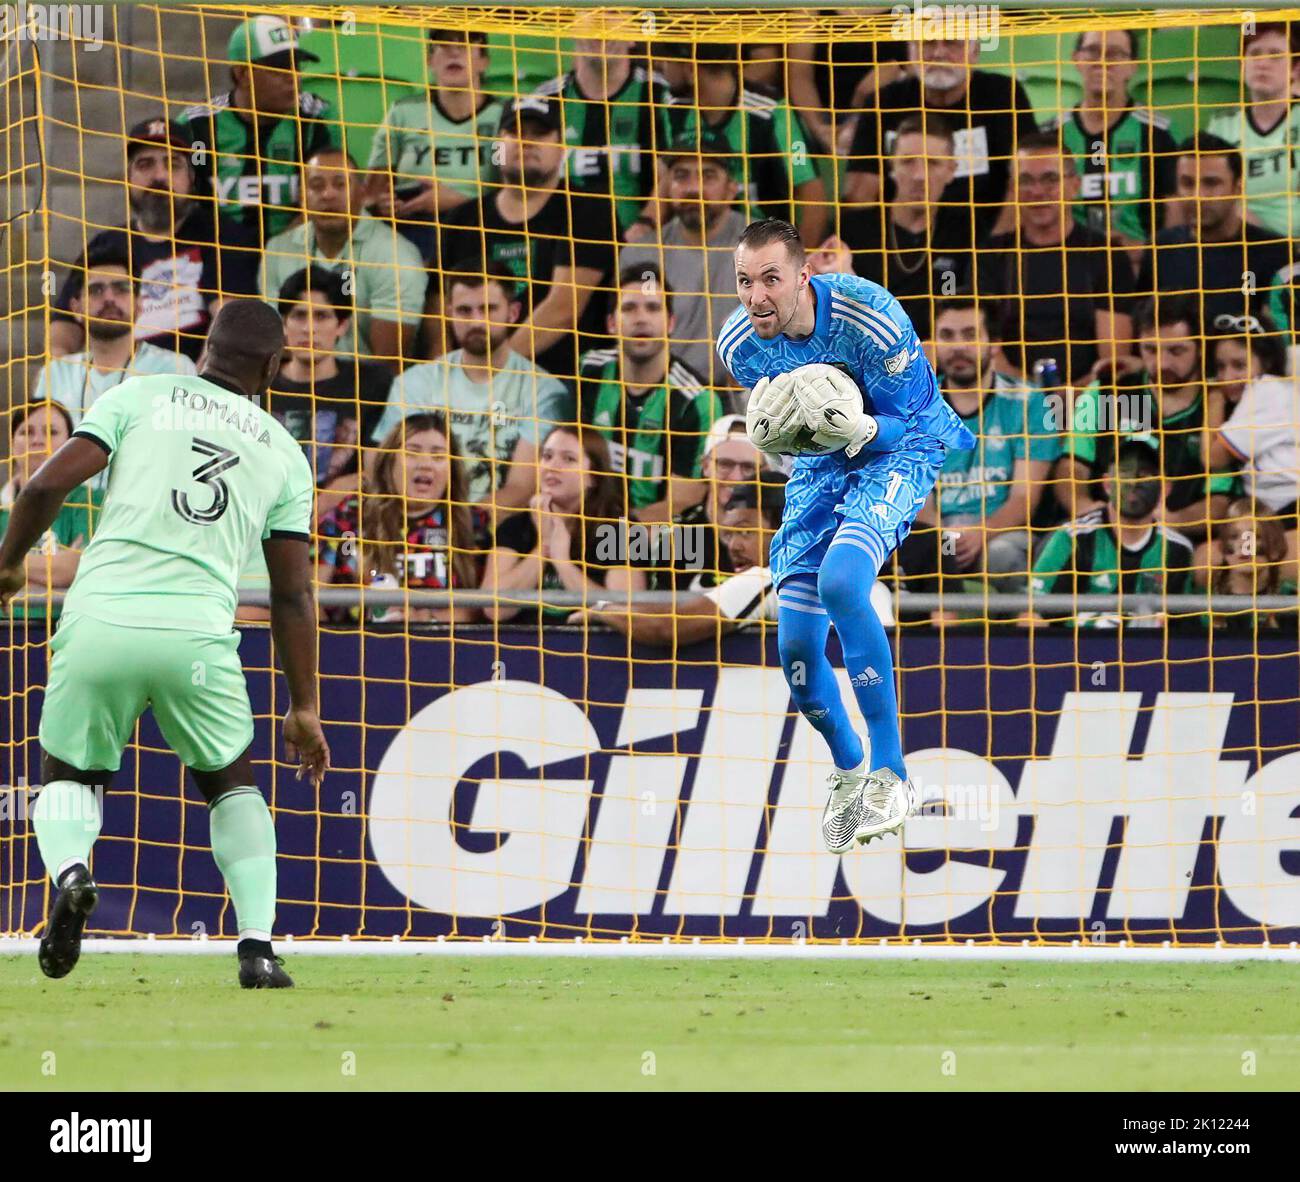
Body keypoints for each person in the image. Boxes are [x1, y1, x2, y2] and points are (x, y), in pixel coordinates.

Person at [0, 299, 329, 989]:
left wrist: (6, 564)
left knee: (71, 775)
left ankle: (72, 874)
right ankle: (258, 948)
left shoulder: (138, 395)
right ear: (273, 367)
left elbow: (44, 483)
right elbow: (294, 595)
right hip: (197, 639)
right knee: (230, 785)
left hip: (100, 624)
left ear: (204, 348)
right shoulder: (284, 453)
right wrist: (305, 706)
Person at [716, 218, 975, 852]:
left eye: (771, 279)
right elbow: (793, 430)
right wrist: (797, 433)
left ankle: (892, 771)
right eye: (745, 282)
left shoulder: (872, 316)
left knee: (841, 582)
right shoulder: (738, 346)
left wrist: (856, 429)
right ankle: (849, 764)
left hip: (899, 446)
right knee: (797, 659)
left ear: (804, 276)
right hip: (821, 464)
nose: (757, 298)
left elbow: (915, 418)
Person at [434, 95, 617, 381]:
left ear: (561, 149)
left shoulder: (589, 210)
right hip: (472, 379)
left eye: (539, 133)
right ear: (497, 147)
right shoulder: (463, 219)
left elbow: (563, 308)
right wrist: (444, 378)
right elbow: (438, 307)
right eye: (515, 132)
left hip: (566, 382)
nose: (526, 142)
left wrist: (493, 370)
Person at [898, 297, 1061, 615]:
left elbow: (1025, 499)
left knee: (1002, 557)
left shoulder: (1030, 403)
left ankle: (1023, 639)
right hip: (936, 535)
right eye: (947, 336)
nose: (958, 346)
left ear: (994, 344)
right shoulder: (914, 410)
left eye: (970, 335)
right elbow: (920, 501)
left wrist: (982, 532)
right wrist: (943, 541)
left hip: (1000, 533)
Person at [49, 117, 259, 361]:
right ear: (128, 178)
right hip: (116, 385)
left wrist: (198, 384)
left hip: (190, 385)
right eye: (145, 165)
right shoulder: (105, 245)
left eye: (173, 164)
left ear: (191, 178)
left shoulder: (222, 235)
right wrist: (59, 369)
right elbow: (64, 326)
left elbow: (228, 322)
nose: (159, 176)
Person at [371, 266, 569, 513]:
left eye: (488, 309)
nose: (477, 321)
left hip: (495, 532)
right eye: (465, 311)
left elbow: (521, 488)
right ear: (449, 313)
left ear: (513, 313)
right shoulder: (415, 382)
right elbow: (384, 467)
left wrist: (461, 530)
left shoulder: (544, 391)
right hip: (416, 523)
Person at [1063, 295, 1240, 540]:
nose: (1161, 363)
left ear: (1201, 348)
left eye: (1176, 351)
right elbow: (1071, 464)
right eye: (1150, 349)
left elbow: (1219, 501)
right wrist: (1081, 505)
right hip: (1103, 533)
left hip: (1179, 543)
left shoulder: (1220, 410)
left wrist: (1172, 521)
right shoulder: (1105, 391)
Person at [975, 132, 1136, 386]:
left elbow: (1112, 359)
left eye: (1050, 179)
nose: (1038, 191)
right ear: (1013, 189)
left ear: (1075, 185)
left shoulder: (1106, 254)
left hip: (1089, 404)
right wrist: (1034, 400)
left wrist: (1073, 397)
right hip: (1012, 403)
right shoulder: (992, 255)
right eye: (1026, 180)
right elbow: (987, 350)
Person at [843, 36, 1037, 238]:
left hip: (984, 239)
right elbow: (860, 194)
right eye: (927, 43)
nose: (938, 53)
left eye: (952, 43)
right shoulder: (885, 100)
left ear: (975, 52)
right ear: (911, 52)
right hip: (898, 242)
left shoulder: (1003, 95)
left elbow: (1023, 181)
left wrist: (996, 251)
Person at [177, 15, 340, 244]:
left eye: (296, 65)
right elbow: (181, 206)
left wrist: (275, 255)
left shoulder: (316, 118)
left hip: (296, 252)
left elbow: (329, 203)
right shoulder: (198, 125)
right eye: (280, 68)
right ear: (243, 74)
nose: (294, 78)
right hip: (218, 255)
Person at [577, 264, 722, 522]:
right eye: (629, 308)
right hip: (587, 522)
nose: (641, 318)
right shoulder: (588, 371)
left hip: (657, 538)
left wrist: (615, 534)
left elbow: (682, 501)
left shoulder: (696, 401)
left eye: (653, 308)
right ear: (611, 323)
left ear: (670, 322)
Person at [317, 411, 490, 626]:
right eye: (412, 452)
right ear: (389, 462)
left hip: (445, 649)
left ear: (451, 469)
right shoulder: (349, 516)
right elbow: (311, 599)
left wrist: (423, 619)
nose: (425, 464)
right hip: (358, 647)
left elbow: (482, 610)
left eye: (438, 456)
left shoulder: (472, 523)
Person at [574, 474, 788, 646]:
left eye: (745, 531)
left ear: (783, 529)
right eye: (728, 535)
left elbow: (667, 628)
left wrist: (602, 611)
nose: (733, 546)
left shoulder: (767, 579)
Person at [260, 149, 427, 369]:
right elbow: (276, 344)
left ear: (363, 193)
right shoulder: (278, 250)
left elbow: (388, 365)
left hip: (365, 390)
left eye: (341, 185)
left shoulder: (396, 256)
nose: (328, 195)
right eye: (317, 185)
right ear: (302, 197)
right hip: (295, 386)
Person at [660, 42, 829, 246]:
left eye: (667, 59)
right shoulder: (673, 108)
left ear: (690, 70)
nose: (661, 66)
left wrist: (799, 264)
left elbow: (812, 194)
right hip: (694, 243)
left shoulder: (770, 110)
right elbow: (666, 179)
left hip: (761, 247)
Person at [619, 128, 747, 388]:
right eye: (681, 176)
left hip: (741, 398)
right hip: (668, 399)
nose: (693, 188)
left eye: (708, 176)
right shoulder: (641, 254)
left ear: (731, 188)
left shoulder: (763, 247)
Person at [484, 425, 645, 626]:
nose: (553, 466)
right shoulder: (515, 526)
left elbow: (626, 612)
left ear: (593, 477)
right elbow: (493, 609)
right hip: (524, 648)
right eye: (547, 456)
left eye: (568, 459)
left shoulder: (622, 530)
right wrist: (544, 547)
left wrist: (563, 564)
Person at [268, 265, 394, 520]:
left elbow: (384, 470)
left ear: (342, 325)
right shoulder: (259, 385)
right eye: (299, 315)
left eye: (322, 316)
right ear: (283, 324)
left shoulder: (373, 384)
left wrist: (343, 488)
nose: (309, 329)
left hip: (347, 521)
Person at [1029, 438, 1195, 629]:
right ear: (1107, 484)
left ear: (1165, 489)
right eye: (1124, 474)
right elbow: (1030, 615)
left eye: (1145, 476)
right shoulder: (1072, 538)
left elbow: (1181, 631)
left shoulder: (1177, 551)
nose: (1133, 484)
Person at [365, 28, 502, 258]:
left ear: (484, 62)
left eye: (466, 43)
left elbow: (515, 194)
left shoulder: (502, 117)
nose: (454, 51)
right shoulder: (403, 113)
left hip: (482, 225)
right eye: (444, 44)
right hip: (412, 228)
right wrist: (385, 205)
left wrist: (457, 202)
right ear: (429, 60)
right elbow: (372, 193)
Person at [838, 113, 973, 345]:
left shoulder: (965, 233)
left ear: (952, 170)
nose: (919, 175)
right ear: (892, 166)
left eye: (933, 163)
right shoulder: (852, 231)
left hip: (937, 361)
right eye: (908, 162)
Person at [1136, 133, 1290, 334]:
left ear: (1238, 188)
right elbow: (1145, 328)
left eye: (1211, 183)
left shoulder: (1275, 253)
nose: (1198, 196)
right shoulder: (1160, 248)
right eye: (1187, 183)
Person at [1044, 30, 1179, 253]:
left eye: (1115, 54)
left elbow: (1176, 212)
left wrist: (1145, 252)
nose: (1103, 62)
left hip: (1140, 265)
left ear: (1133, 66)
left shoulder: (1158, 133)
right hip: (1068, 265)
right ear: (1076, 59)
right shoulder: (1051, 135)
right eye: (1093, 52)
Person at [36, 244, 196, 427]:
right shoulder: (57, 373)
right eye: (96, 290)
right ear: (76, 308)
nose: (109, 298)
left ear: (139, 304)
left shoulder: (174, 368)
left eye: (121, 288)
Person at [536, 37, 671, 239]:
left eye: (613, 11)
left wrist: (647, 223)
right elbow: (501, 156)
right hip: (561, 245)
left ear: (633, 33)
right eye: (591, 10)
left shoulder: (659, 95)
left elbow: (673, 172)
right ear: (573, 27)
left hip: (641, 245)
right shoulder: (544, 99)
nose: (601, 22)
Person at [0, 402, 100, 621]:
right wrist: (50, 568)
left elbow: (75, 568)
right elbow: (59, 570)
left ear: (69, 444)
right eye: (26, 432)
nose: (37, 440)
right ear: (11, 443)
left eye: (51, 432)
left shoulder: (92, 501)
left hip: (67, 626)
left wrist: (6, 566)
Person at [1205, 22, 1300, 239]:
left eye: (1275, 55)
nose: (1263, 63)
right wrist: (1263, 239)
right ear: (1242, 64)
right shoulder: (1220, 126)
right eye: (1255, 54)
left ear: (1295, 68)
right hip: (1241, 243)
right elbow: (1212, 195)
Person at [1207, 319, 1300, 529]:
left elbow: (1212, 458)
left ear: (1266, 363)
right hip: (1274, 515)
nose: (1226, 378)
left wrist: (1214, 400)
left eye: (1239, 365)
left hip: (1292, 509)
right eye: (1220, 367)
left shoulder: (1266, 391)